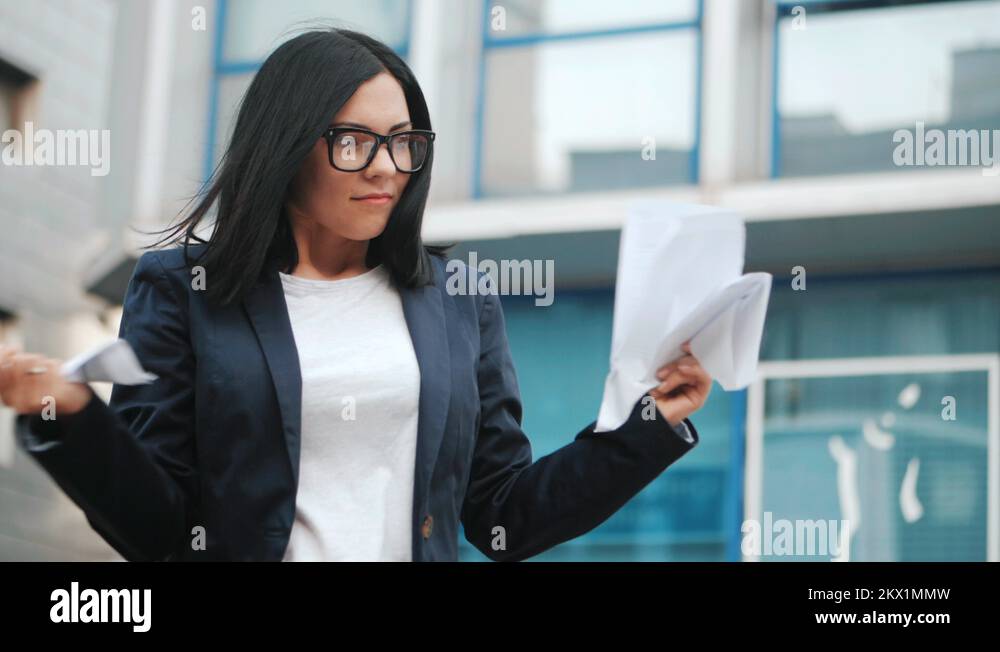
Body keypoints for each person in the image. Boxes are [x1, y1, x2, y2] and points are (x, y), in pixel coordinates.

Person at [0, 28, 710, 562]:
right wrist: (70, 416)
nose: (387, 169)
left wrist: (649, 425)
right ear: (285, 147)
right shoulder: (185, 291)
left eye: (404, 142)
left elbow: (502, 514)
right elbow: (157, 530)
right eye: (353, 142)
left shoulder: (459, 301)